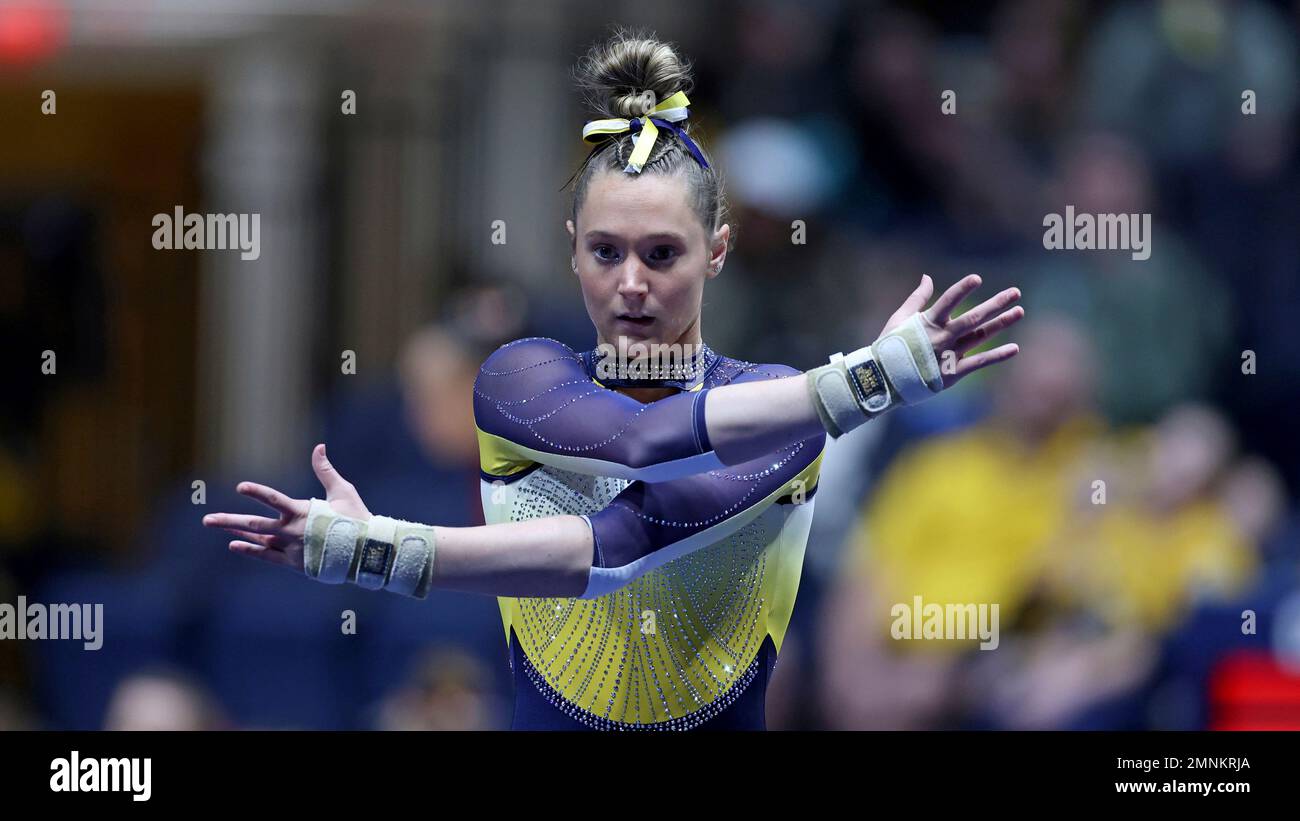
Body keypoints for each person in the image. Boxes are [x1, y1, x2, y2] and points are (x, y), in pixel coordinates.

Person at [201, 29, 1023, 730]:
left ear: (718, 250)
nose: (631, 281)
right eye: (606, 251)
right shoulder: (521, 376)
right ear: (572, 250)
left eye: (662, 252)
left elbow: (621, 546)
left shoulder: (774, 404)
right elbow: (631, 441)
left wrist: (383, 548)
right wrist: (863, 382)